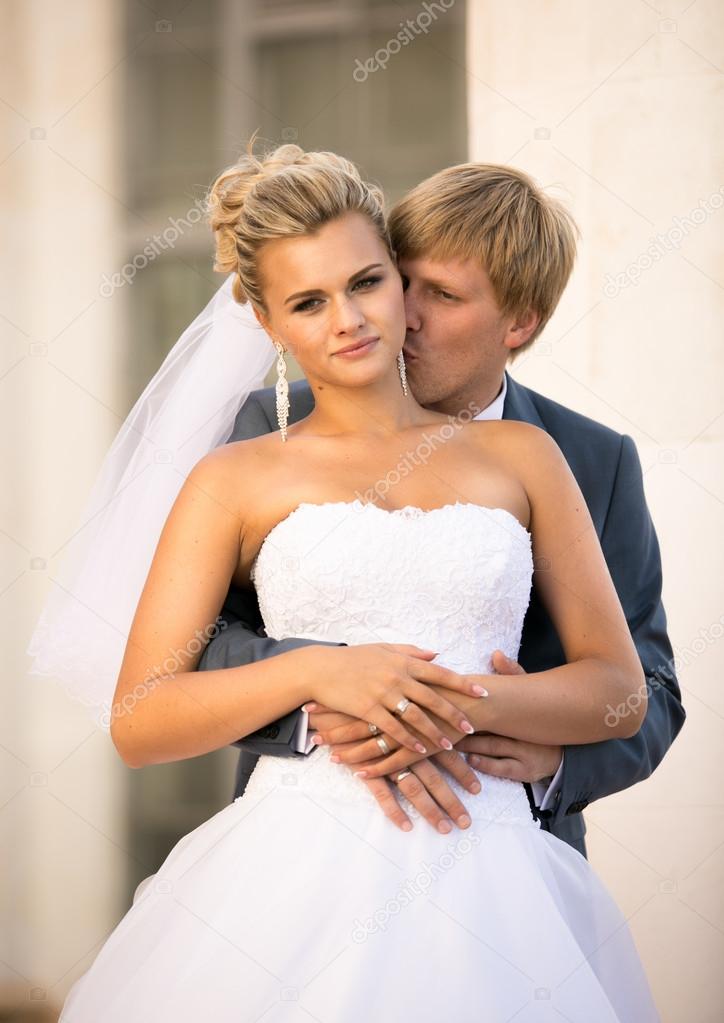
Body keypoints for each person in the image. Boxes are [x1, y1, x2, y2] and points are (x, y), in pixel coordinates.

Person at [59, 142, 661, 1021]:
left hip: (497, 860)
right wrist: (318, 674)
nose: (360, 318)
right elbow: (142, 712)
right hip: (289, 868)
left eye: (371, 283)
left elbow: (627, 690)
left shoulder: (536, 455)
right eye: (309, 301)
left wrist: (461, 703)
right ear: (270, 324)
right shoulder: (235, 473)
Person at [205, 161, 686, 858]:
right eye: (401, 279)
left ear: (519, 322)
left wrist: (551, 760)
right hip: (304, 834)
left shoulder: (589, 460)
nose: (406, 315)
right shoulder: (271, 427)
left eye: (445, 294)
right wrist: (327, 693)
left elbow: (651, 687)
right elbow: (196, 636)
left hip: (507, 844)